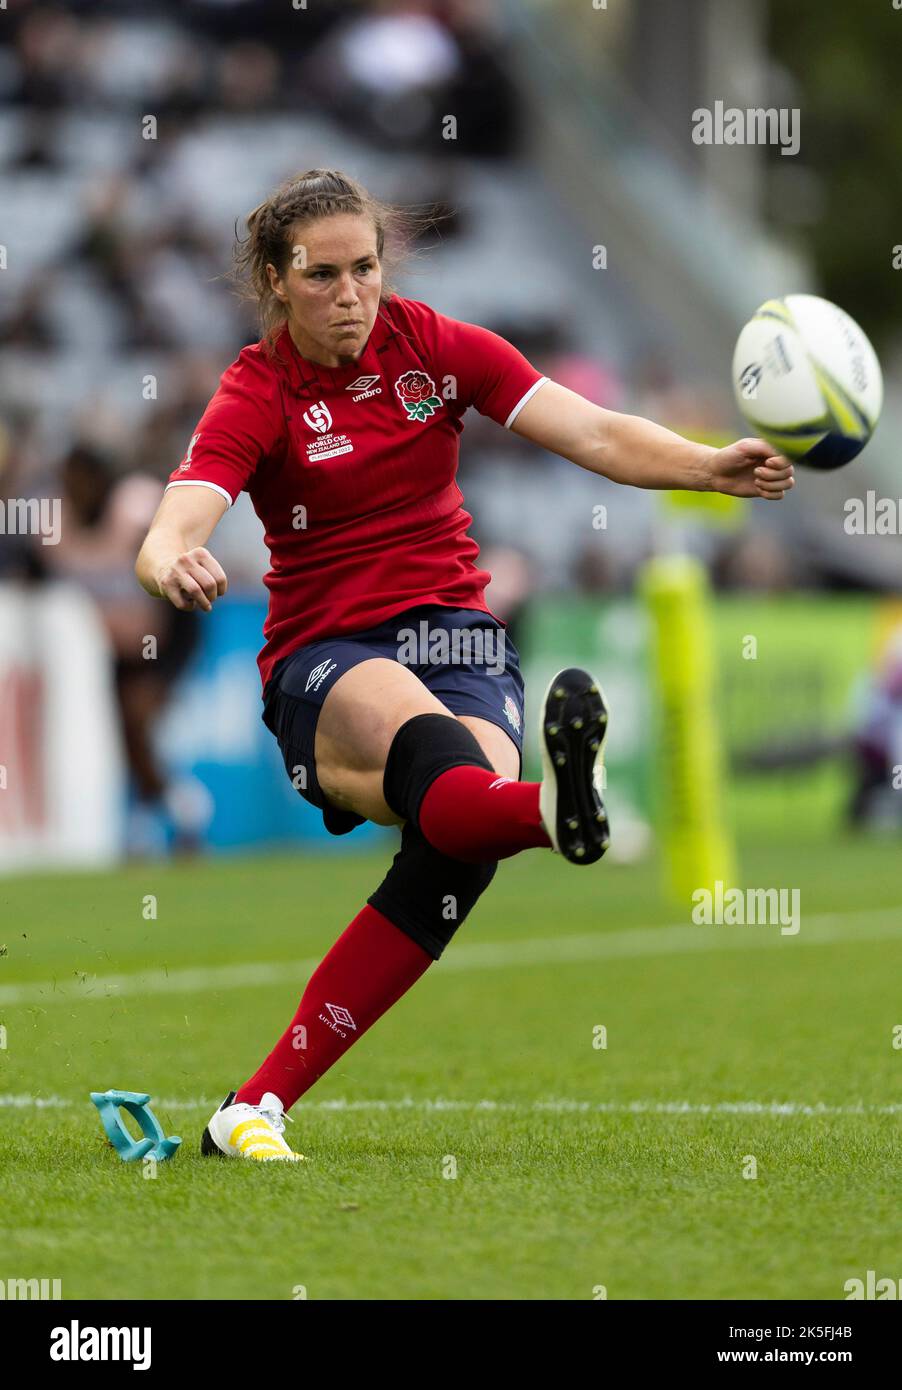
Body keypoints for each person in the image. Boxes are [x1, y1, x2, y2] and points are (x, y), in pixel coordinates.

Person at [135, 169, 794, 1162]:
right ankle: (557, 810)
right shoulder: (257, 387)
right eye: (323, 275)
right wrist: (164, 557)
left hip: (457, 636)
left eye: (365, 267)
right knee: (444, 771)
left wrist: (706, 466)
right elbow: (182, 509)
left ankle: (252, 1106)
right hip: (328, 654)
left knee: (457, 834)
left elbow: (595, 431)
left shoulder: (435, 346)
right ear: (275, 280)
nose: (351, 292)